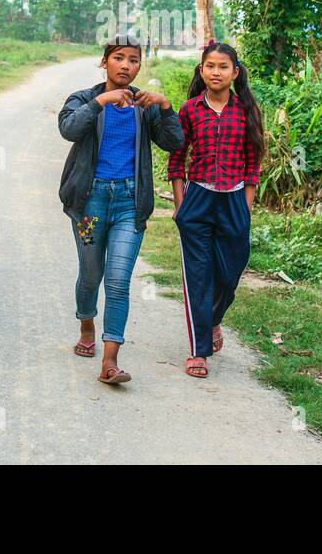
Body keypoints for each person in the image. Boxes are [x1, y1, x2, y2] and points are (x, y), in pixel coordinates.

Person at [57, 35, 183, 384]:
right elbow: (69, 129)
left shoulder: (145, 105)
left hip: (130, 203)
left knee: (117, 281)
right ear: (104, 62)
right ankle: (86, 325)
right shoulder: (83, 99)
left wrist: (167, 107)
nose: (127, 65)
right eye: (119, 58)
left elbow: (174, 143)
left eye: (134, 60)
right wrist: (101, 102)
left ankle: (110, 361)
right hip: (89, 203)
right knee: (91, 275)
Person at [166, 42, 265, 379]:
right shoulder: (190, 110)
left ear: (235, 72)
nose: (216, 72)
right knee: (198, 276)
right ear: (201, 70)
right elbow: (177, 160)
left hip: (235, 201)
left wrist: (246, 207)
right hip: (198, 200)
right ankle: (199, 351)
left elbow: (254, 164)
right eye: (210, 66)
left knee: (229, 271)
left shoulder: (246, 111)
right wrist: (181, 205)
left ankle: (214, 319)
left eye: (223, 66)